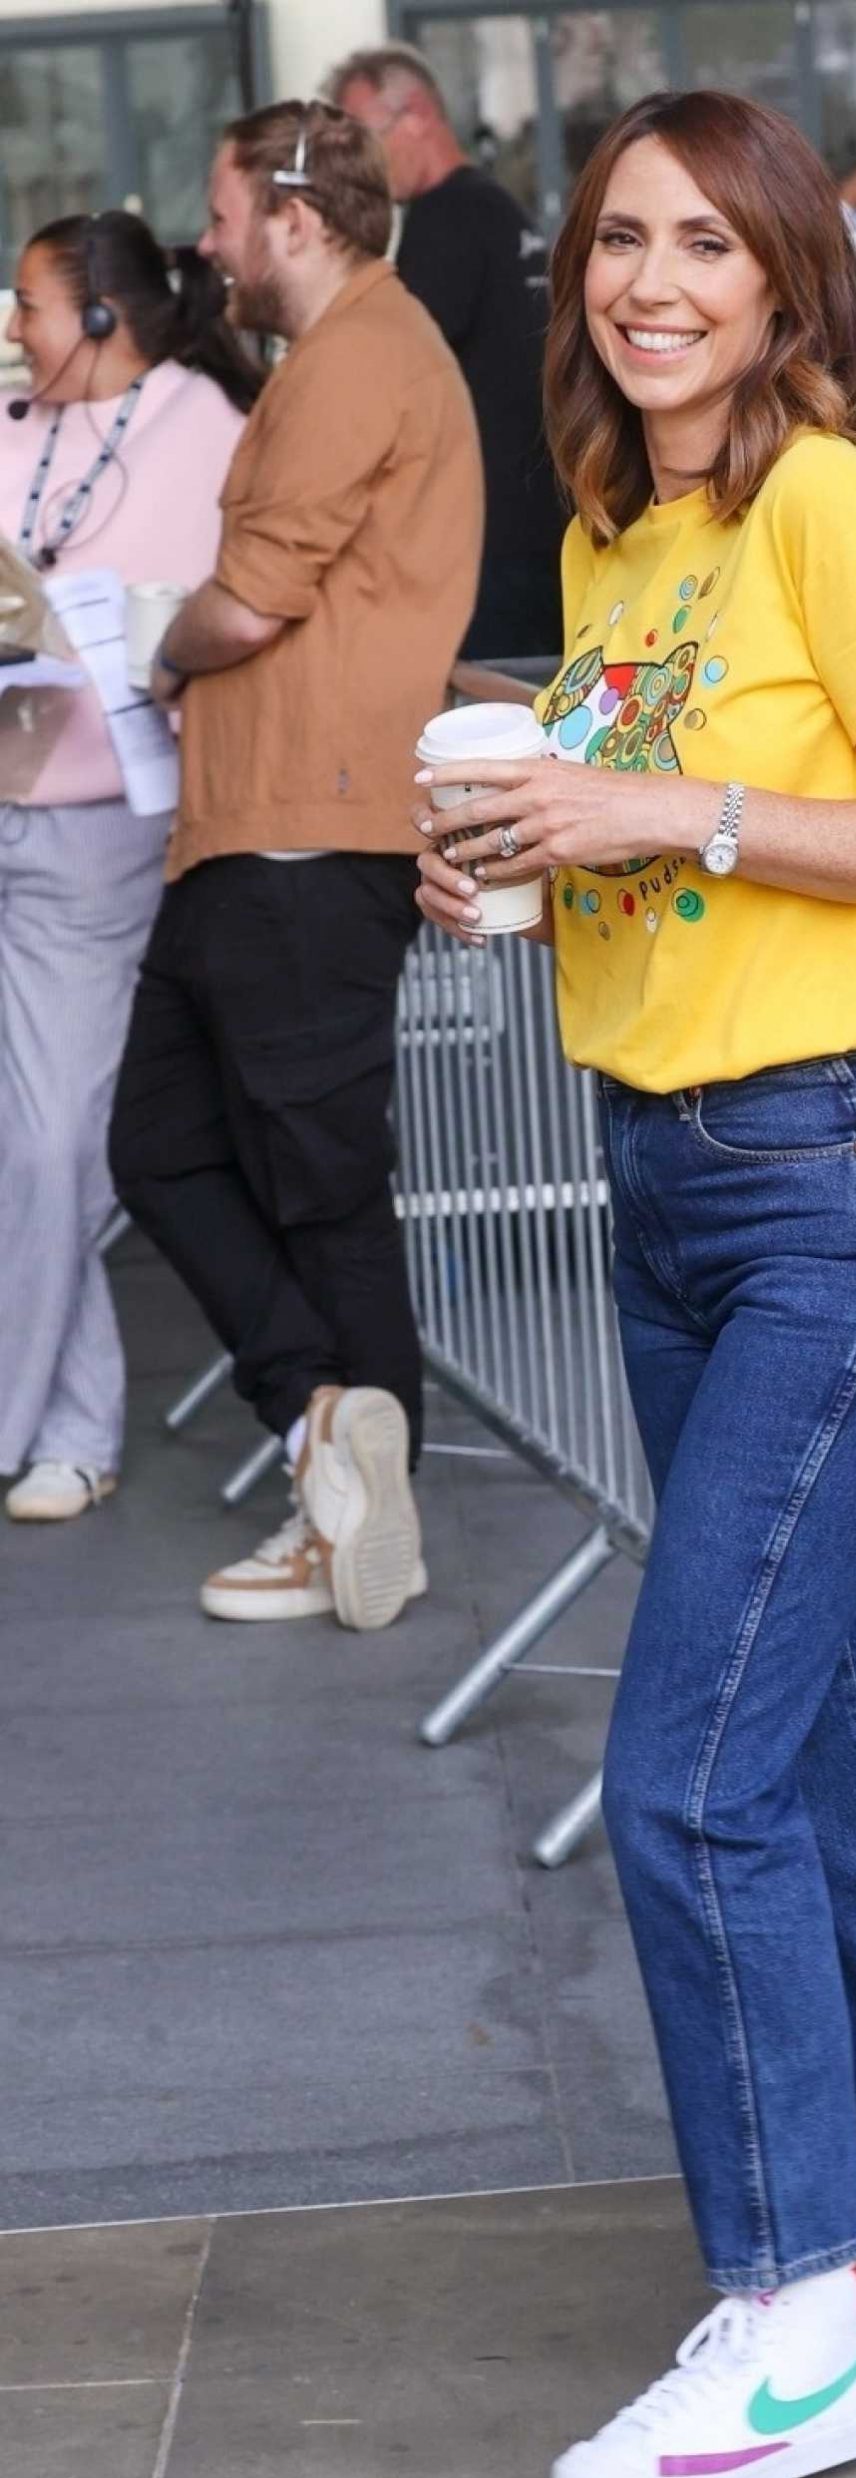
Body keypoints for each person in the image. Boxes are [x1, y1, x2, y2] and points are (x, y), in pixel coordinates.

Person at [414, 88, 856, 2478]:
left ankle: (798, 2309)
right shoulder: (623, 538)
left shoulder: (834, 506)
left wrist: (657, 815)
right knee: (816, 1744)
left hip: (840, 1187)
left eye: (701, 242)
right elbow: (647, 856)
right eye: (613, 241)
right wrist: (513, 865)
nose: (647, 280)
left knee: (688, 1768)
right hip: (672, 1182)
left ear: (789, 282)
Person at [107, 100, 482, 1630]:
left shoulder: (360, 362)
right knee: (164, 1147)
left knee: (321, 1190)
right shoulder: (334, 365)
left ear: (296, 219)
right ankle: (332, 1431)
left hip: (307, 837)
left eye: (221, 216)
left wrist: (159, 642)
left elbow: (252, 603)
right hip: (257, 833)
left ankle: (346, 1497)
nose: (206, 245)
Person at [0, 211, 258, 1527]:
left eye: (32, 305)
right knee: (14, 1142)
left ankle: (31, 1416)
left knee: (52, 1144)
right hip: (7, 796)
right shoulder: (13, 427)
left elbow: (238, 609)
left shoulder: (204, 428)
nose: (13, 329)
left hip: (101, 829)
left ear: (100, 316)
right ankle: (73, 1425)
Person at [329, 41, 564, 663]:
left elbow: (387, 376)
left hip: (492, 542)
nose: (357, 164)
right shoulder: (496, 208)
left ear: (416, 113)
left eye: (360, 138)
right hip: (543, 525)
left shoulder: (448, 217)